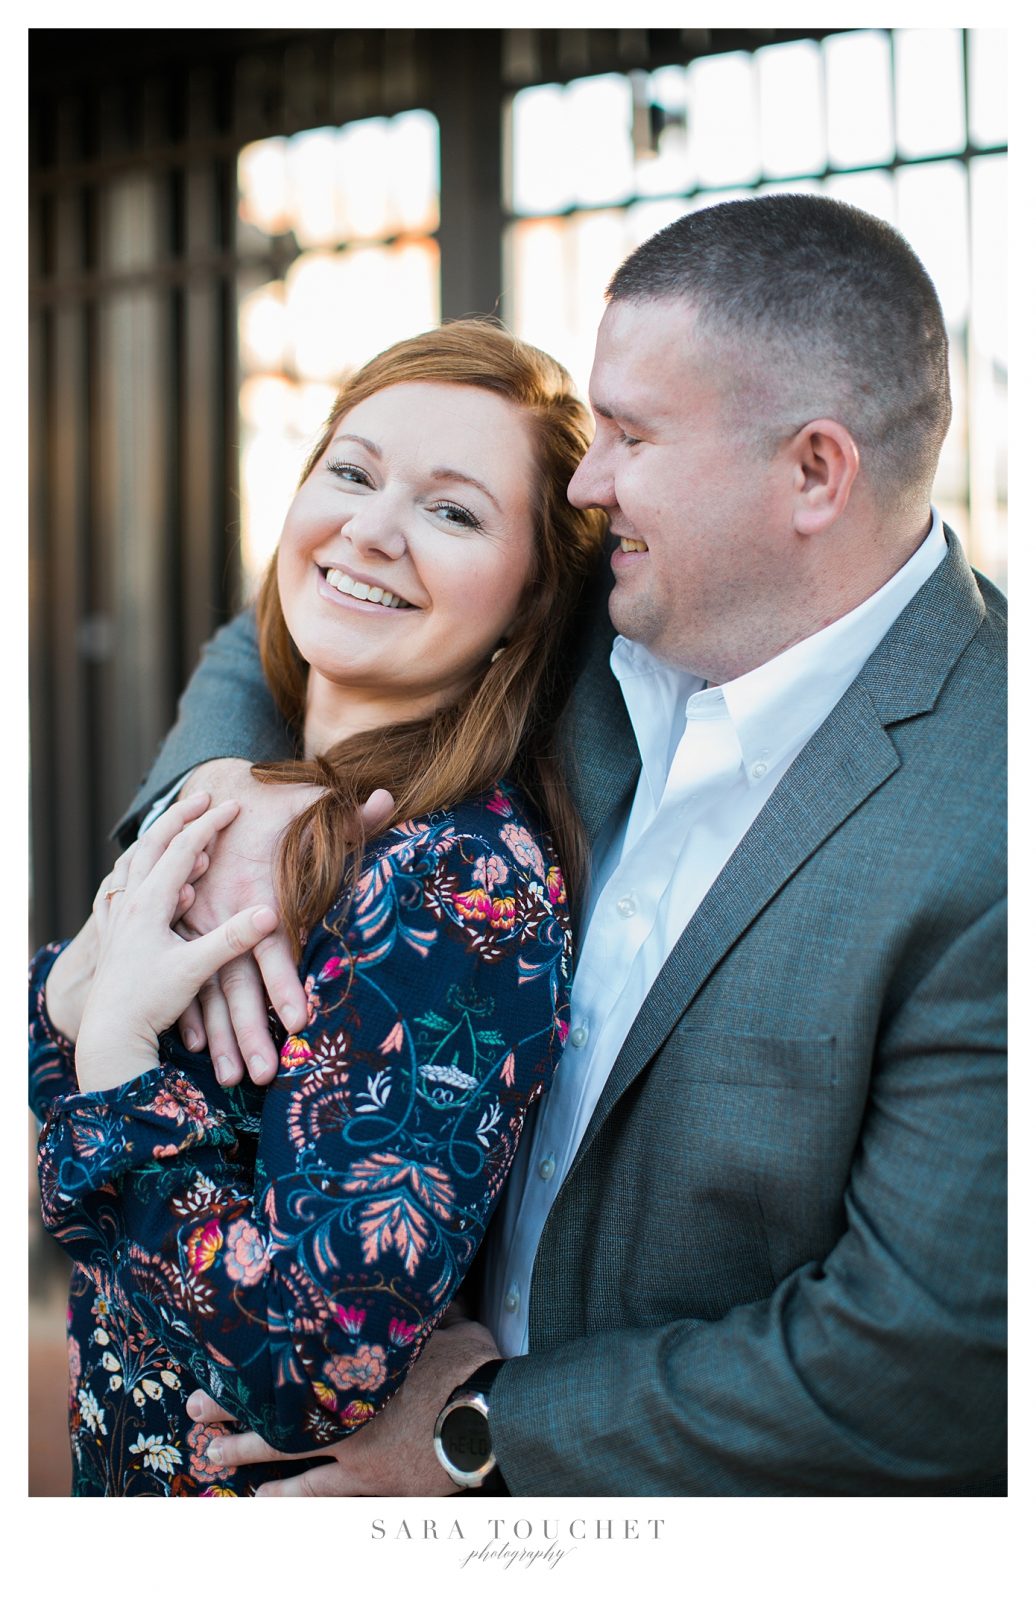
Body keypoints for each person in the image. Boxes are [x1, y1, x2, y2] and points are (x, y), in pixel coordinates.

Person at [111, 195, 1006, 1496]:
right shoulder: (618, 590)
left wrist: (482, 1431)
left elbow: (919, 1356)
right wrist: (218, 809)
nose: (589, 485)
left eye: (632, 438)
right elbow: (297, 619)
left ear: (815, 473)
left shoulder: (993, 814)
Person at [29, 321, 607, 1495]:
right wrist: (65, 1001)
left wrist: (111, 1057)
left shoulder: (457, 890)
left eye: (452, 511)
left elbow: (308, 1360)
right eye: (350, 471)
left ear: (527, 600)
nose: (371, 529)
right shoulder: (240, 812)